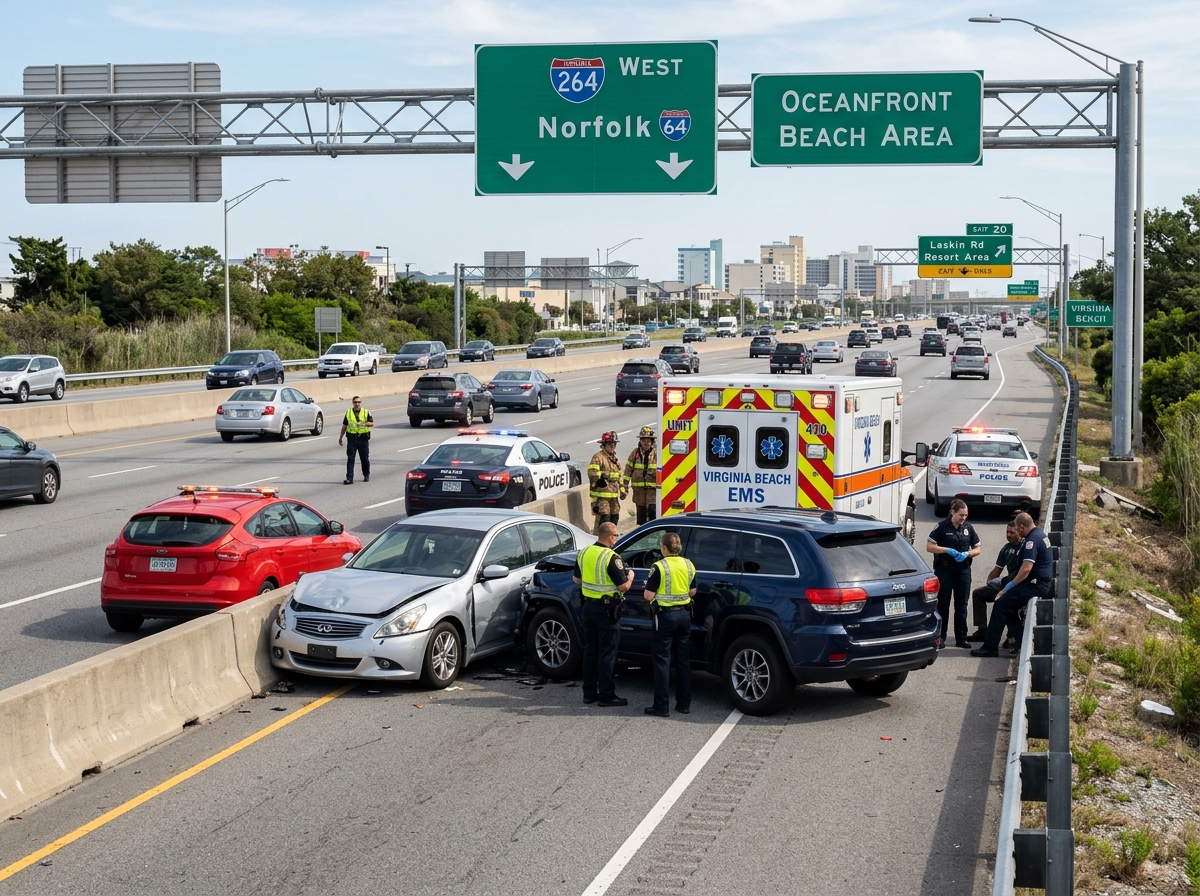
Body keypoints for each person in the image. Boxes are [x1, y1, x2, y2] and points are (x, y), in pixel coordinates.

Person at [973, 512, 1054, 657]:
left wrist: (1008, 587)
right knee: (1007, 606)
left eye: (1016, 528)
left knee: (1001, 604)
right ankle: (1021, 640)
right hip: (1036, 583)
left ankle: (990, 647)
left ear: (1022, 527)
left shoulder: (1031, 541)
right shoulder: (1038, 535)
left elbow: (1026, 569)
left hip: (1036, 585)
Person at [572, 521, 633, 707]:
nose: (617, 539)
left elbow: (576, 579)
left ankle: (589, 693)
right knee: (607, 653)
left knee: (590, 651)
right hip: (607, 611)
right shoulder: (611, 557)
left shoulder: (584, 552)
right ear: (609, 536)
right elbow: (622, 586)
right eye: (616, 535)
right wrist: (630, 577)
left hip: (589, 608)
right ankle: (606, 695)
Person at [643, 531, 697, 717]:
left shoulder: (659, 567)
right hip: (684, 616)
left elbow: (648, 596)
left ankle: (661, 706)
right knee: (682, 661)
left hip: (665, 617)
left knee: (662, 662)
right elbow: (692, 591)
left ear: (664, 548)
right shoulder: (689, 565)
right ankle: (683, 704)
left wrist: (649, 586)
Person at [926, 498, 981, 649]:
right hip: (944, 570)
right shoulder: (942, 527)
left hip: (963, 571)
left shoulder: (968, 528)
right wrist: (946, 550)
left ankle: (961, 638)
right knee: (943, 605)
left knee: (961, 605)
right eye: (960, 515)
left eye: (965, 515)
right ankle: (941, 637)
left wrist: (968, 554)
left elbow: (978, 548)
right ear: (952, 513)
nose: (963, 518)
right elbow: (930, 546)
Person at [967, 520, 1024, 647]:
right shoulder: (1006, 548)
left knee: (1004, 602)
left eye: (1012, 532)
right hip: (1005, 585)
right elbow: (997, 570)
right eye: (1007, 532)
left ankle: (1012, 637)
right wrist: (990, 584)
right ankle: (982, 630)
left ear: (1020, 532)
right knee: (979, 593)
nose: (1008, 535)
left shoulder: (1025, 548)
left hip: (1018, 585)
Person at [588, 431, 624, 534]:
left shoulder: (615, 460)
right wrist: (599, 480)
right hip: (601, 498)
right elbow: (592, 472)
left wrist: (622, 490)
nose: (612, 445)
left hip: (613, 498)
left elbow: (619, 477)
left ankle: (611, 541)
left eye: (614, 444)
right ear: (603, 445)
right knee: (604, 521)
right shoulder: (598, 457)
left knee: (614, 519)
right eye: (609, 443)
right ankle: (598, 540)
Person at [623, 426, 659, 525]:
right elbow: (628, 471)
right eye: (644, 440)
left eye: (648, 441)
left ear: (652, 442)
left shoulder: (657, 454)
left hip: (653, 490)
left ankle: (653, 530)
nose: (646, 443)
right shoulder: (635, 454)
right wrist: (625, 486)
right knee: (641, 512)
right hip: (639, 490)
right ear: (640, 441)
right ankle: (642, 532)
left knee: (652, 510)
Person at [338, 396, 374, 484]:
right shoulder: (349, 412)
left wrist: (366, 423)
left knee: (364, 458)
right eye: (355, 402)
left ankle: (366, 474)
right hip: (352, 439)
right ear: (353, 403)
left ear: (361, 403)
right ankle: (349, 478)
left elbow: (372, 423)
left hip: (363, 439)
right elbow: (344, 426)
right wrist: (340, 437)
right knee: (350, 459)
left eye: (358, 402)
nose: (357, 404)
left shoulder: (366, 412)